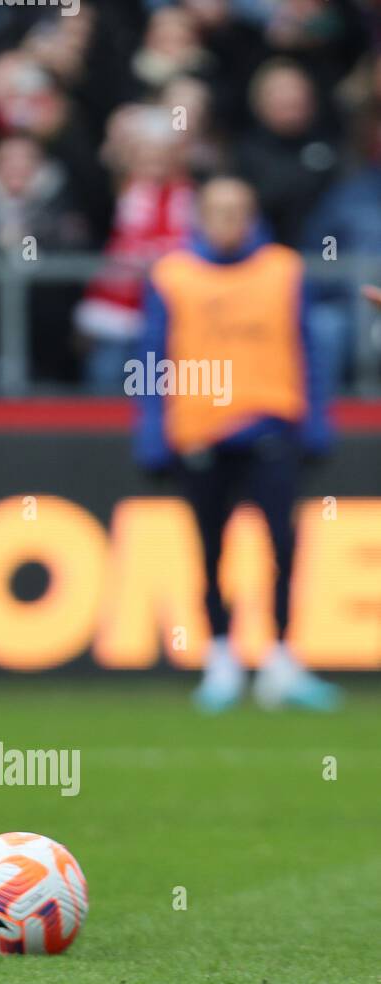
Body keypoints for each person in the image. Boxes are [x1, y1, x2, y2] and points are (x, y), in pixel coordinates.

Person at [134, 176, 340, 714]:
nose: (227, 220)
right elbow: (153, 357)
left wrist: (316, 423)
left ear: (252, 216)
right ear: (199, 216)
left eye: (237, 210)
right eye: (217, 210)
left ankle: (280, 659)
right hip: (199, 429)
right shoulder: (173, 274)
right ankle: (221, 658)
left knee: (283, 545)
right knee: (209, 551)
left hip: (271, 425)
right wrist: (153, 434)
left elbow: (308, 349)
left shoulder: (283, 270)